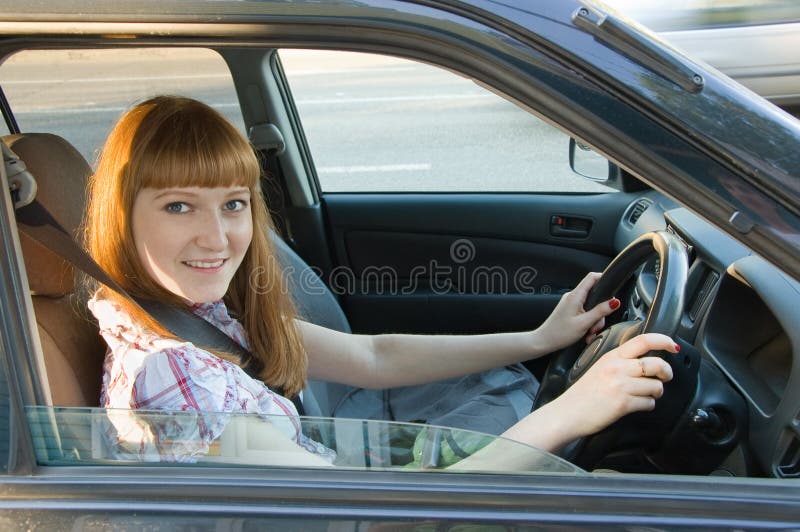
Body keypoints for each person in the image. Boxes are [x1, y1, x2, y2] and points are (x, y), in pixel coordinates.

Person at [85, 96, 679, 468]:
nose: (216, 239)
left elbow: (372, 356)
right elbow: (379, 520)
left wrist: (539, 339)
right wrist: (574, 410)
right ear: (124, 214)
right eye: (178, 207)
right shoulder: (173, 374)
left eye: (233, 204)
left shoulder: (197, 316)